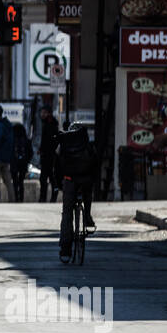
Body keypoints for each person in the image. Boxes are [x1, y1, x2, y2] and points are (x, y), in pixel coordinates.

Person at [56, 123, 97, 259]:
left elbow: (57, 166)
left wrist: (59, 185)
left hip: (69, 180)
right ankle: (88, 216)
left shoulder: (63, 146)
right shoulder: (88, 146)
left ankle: (66, 249)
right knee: (87, 193)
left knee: (67, 212)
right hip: (85, 180)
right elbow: (94, 165)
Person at [38, 105, 60, 202]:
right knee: (50, 177)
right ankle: (50, 195)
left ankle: (44, 197)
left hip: (48, 155)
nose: (41, 115)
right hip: (48, 155)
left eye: (43, 113)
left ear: (48, 113)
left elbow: (49, 141)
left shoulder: (49, 124)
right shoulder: (49, 123)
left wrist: (44, 149)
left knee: (45, 178)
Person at [11, 122, 32, 202]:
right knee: (21, 182)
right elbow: (30, 153)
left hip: (14, 163)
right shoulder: (26, 140)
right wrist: (27, 160)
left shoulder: (12, 139)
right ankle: (21, 198)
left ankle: (16, 198)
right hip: (23, 163)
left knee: (15, 182)